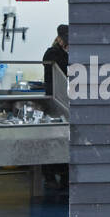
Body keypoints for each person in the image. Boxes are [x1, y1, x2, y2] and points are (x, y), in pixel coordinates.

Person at [42, 24, 69, 191]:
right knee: (52, 140)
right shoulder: (52, 53)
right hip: (53, 101)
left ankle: (66, 177)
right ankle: (49, 176)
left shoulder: (67, 53)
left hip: (66, 101)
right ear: (59, 39)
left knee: (65, 141)